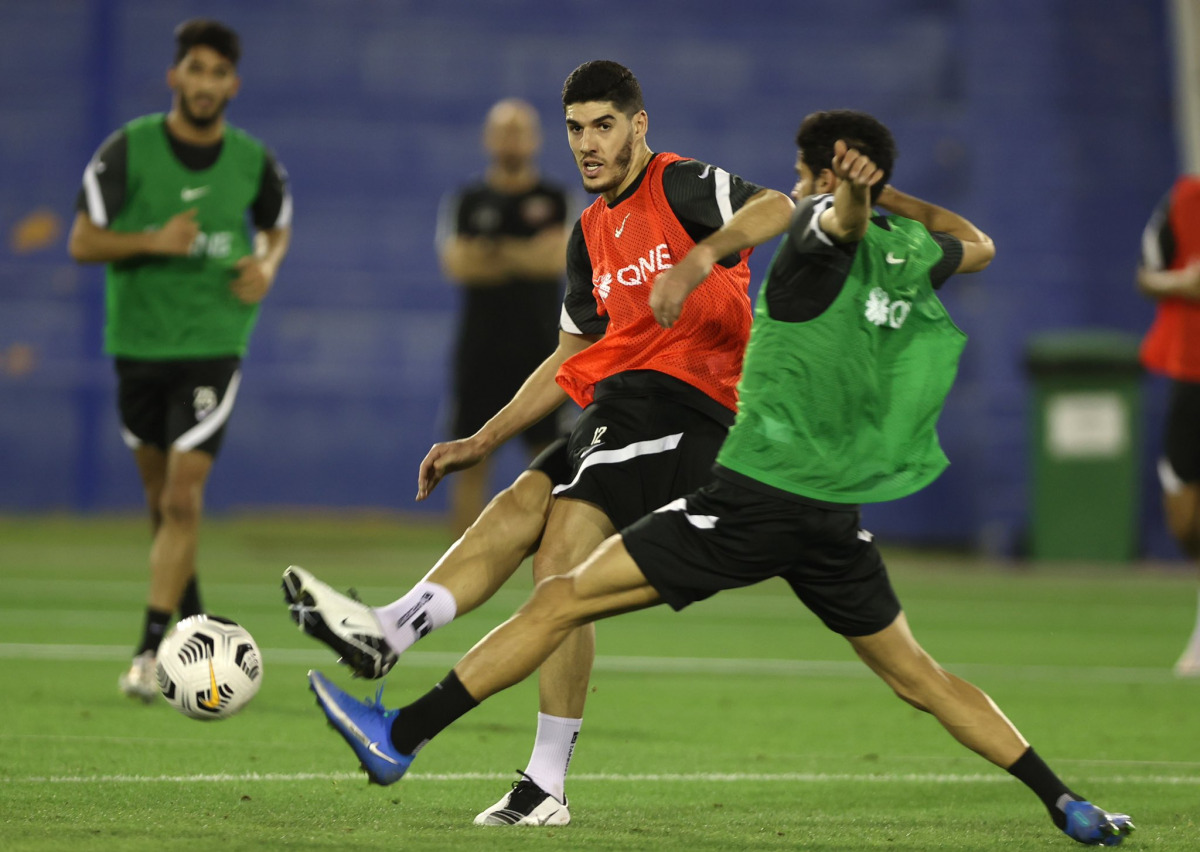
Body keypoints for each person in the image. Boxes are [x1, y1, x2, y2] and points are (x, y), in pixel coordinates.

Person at [306, 111, 1135, 846]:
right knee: (918, 676)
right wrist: (890, 197)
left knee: (558, 594)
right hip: (833, 512)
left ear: (818, 178)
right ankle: (1066, 802)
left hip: (755, 494)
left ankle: (401, 733)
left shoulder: (816, 241)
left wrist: (810, 209)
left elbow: (828, 223)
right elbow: (980, 242)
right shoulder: (906, 254)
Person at [283, 59, 794, 825]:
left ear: (638, 126)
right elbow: (566, 359)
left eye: (604, 126)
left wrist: (698, 258)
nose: (588, 144)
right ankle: (517, 758)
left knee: (559, 571)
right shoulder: (589, 233)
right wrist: (479, 438)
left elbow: (778, 206)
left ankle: (406, 665)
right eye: (576, 129)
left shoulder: (678, 184)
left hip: (684, 412)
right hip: (619, 407)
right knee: (531, 515)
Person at [67, 19, 292, 703]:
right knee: (159, 500)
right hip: (138, 346)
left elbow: (277, 223)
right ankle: (194, 622)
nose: (205, 83)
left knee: (179, 497)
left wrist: (268, 266)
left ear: (233, 84)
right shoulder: (128, 151)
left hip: (213, 345)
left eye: (217, 73)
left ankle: (149, 652)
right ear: (176, 77)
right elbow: (82, 239)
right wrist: (155, 241)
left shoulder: (252, 160)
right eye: (194, 70)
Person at [436, 98, 572, 537]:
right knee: (469, 460)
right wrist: (525, 251)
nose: (512, 139)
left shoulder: (556, 199)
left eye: (520, 130)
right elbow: (458, 263)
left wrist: (493, 249)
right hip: (480, 351)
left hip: (541, 351)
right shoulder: (467, 201)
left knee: (553, 459)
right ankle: (455, 569)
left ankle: (555, 562)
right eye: (503, 130)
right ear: (488, 139)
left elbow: (554, 260)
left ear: (535, 139)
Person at [1137, 175, 1200, 677]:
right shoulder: (1186, 199)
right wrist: (1183, 283)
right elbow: (1148, 274)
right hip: (1191, 370)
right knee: (1184, 516)